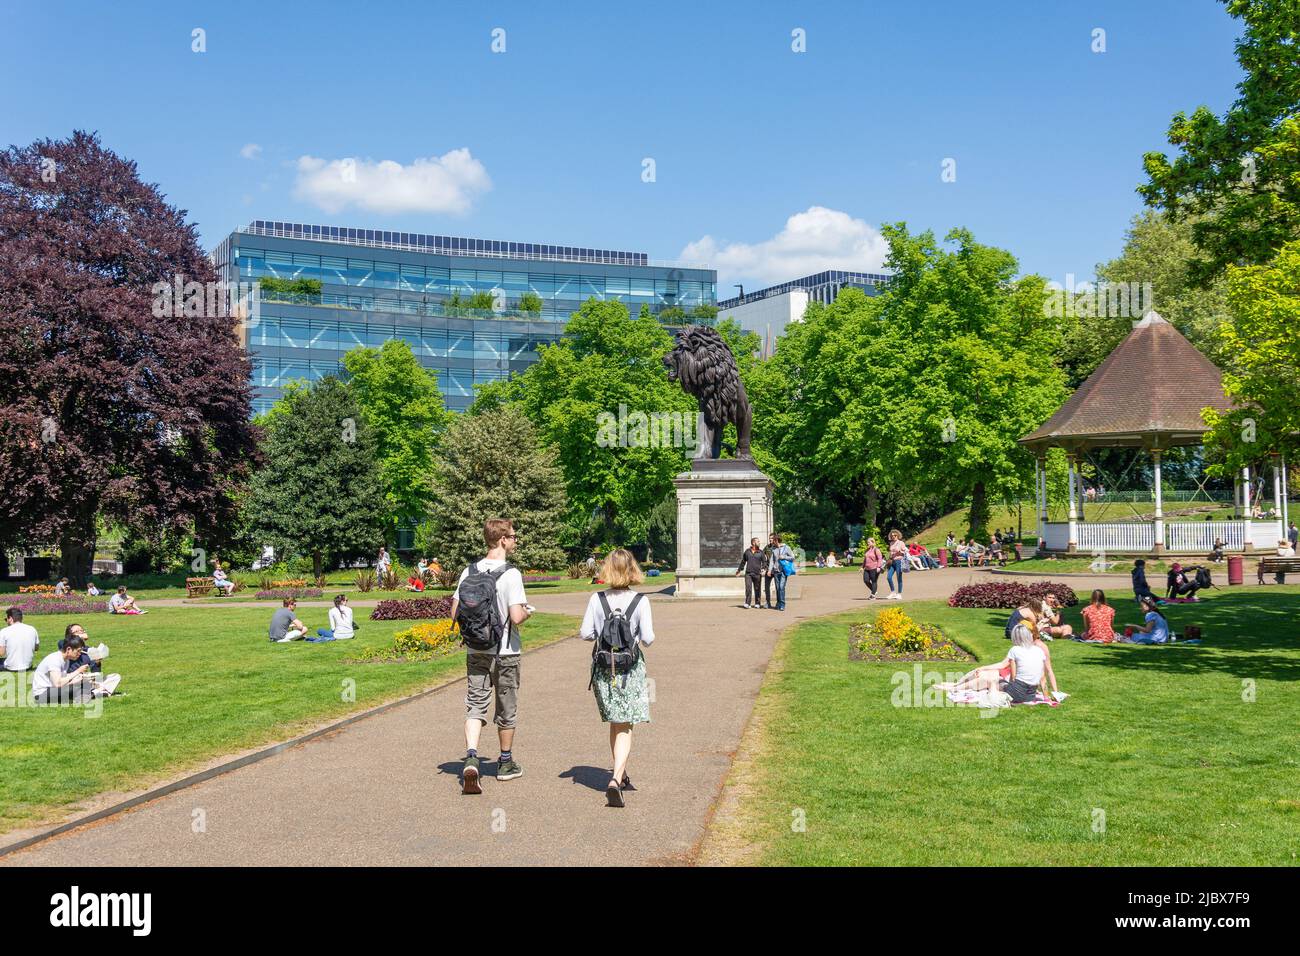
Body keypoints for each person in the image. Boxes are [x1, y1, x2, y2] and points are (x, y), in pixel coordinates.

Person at [451, 518, 531, 794]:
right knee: (506, 706)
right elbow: (517, 616)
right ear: (502, 540)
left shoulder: (468, 571)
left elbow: (454, 613)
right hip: (505, 651)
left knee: (475, 703)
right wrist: (528, 611)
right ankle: (505, 763)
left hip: (476, 649)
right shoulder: (511, 574)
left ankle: (471, 756)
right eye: (512, 536)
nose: (515, 540)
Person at [579, 548, 655, 808]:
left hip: (603, 668)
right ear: (633, 569)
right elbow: (648, 638)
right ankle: (615, 778)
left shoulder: (596, 599)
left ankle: (619, 774)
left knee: (616, 722)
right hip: (630, 669)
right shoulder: (640, 601)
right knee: (625, 724)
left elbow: (586, 634)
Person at [941, 623, 1046, 705]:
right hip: (1030, 695)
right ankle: (956, 685)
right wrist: (1047, 697)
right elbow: (1043, 678)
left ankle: (955, 688)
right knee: (992, 675)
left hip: (1016, 694)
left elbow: (1008, 671)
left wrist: (982, 668)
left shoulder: (1015, 650)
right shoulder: (1039, 651)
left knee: (988, 679)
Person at [31, 634, 93, 705]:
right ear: (68, 649)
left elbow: (62, 679)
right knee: (75, 688)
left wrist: (77, 679)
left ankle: (83, 696)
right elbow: (58, 683)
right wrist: (78, 671)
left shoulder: (66, 660)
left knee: (84, 683)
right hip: (42, 694)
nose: (79, 654)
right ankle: (83, 696)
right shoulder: (55, 659)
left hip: (53, 689)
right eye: (78, 651)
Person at [0, 607, 40, 672]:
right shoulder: (32, 629)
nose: (6, 621)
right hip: (27, 666)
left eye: (6, 619)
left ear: (10, 618)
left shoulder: (4, 631)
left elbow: (1, 653)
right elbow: (36, 648)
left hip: (11, 667)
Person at [735, 538, 765, 609]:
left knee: (757, 589)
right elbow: (743, 562)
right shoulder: (747, 552)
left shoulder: (761, 552)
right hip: (748, 573)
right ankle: (747, 603)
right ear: (753, 543)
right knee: (748, 588)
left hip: (757, 573)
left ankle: (757, 603)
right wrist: (739, 570)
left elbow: (764, 562)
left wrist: (763, 568)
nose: (759, 542)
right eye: (758, 541)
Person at [770, 535, 795, 610]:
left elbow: (793, 557)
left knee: (781, 587)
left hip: (783, 571)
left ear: (776, 540)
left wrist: (784, 557)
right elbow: (772, 560)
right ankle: (778, 603)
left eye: (773, 540)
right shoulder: (773, 549)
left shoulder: (786, 548)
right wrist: (769, 570)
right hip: (776, 571)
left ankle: (782, 604)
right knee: (778, 588)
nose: (772, 542)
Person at [885, 529, 908, 600]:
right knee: (888, 577)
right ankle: (893, 592)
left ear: (897, 535)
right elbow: (890, 553)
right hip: (892, 562)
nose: (893, 537)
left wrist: (900, 551)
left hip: (899, 561)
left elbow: (906, 551)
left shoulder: (901, 543)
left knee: (899, 577)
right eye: (892, 536)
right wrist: (889, 559)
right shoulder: (891, 543)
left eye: (895, 535)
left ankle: (899, 594)